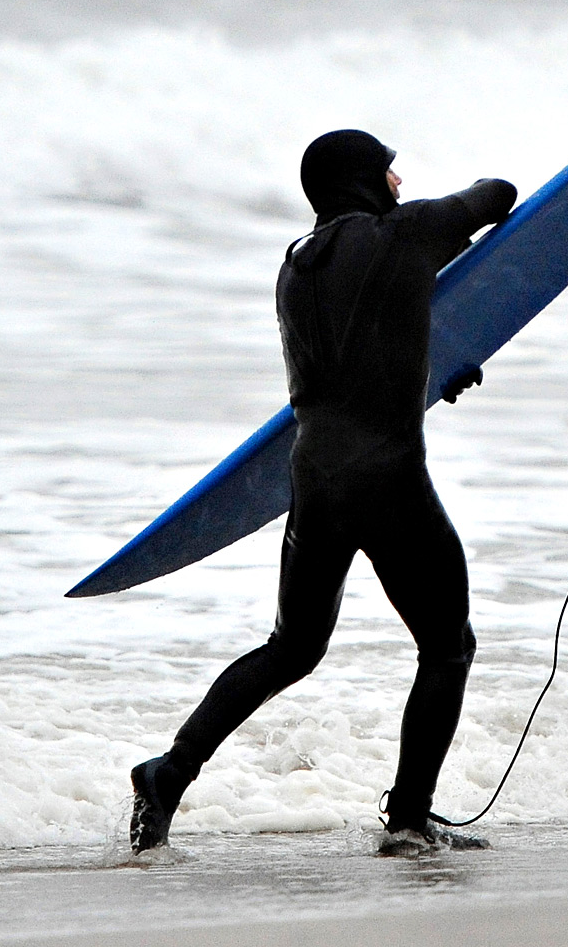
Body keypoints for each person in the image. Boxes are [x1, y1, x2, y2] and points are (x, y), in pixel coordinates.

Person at [128, 129, 517, 856]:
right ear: (363, 180)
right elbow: (496, 198)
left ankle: (169, 772)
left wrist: (439, 371)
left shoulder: (296, 268)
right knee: (448, 643)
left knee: (293, 646)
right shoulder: (400, 233)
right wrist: (431, 220)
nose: (399, 180)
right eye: (388, 169)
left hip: (314, 475)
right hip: (388, 474)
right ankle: (408, 820)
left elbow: (357, 356)